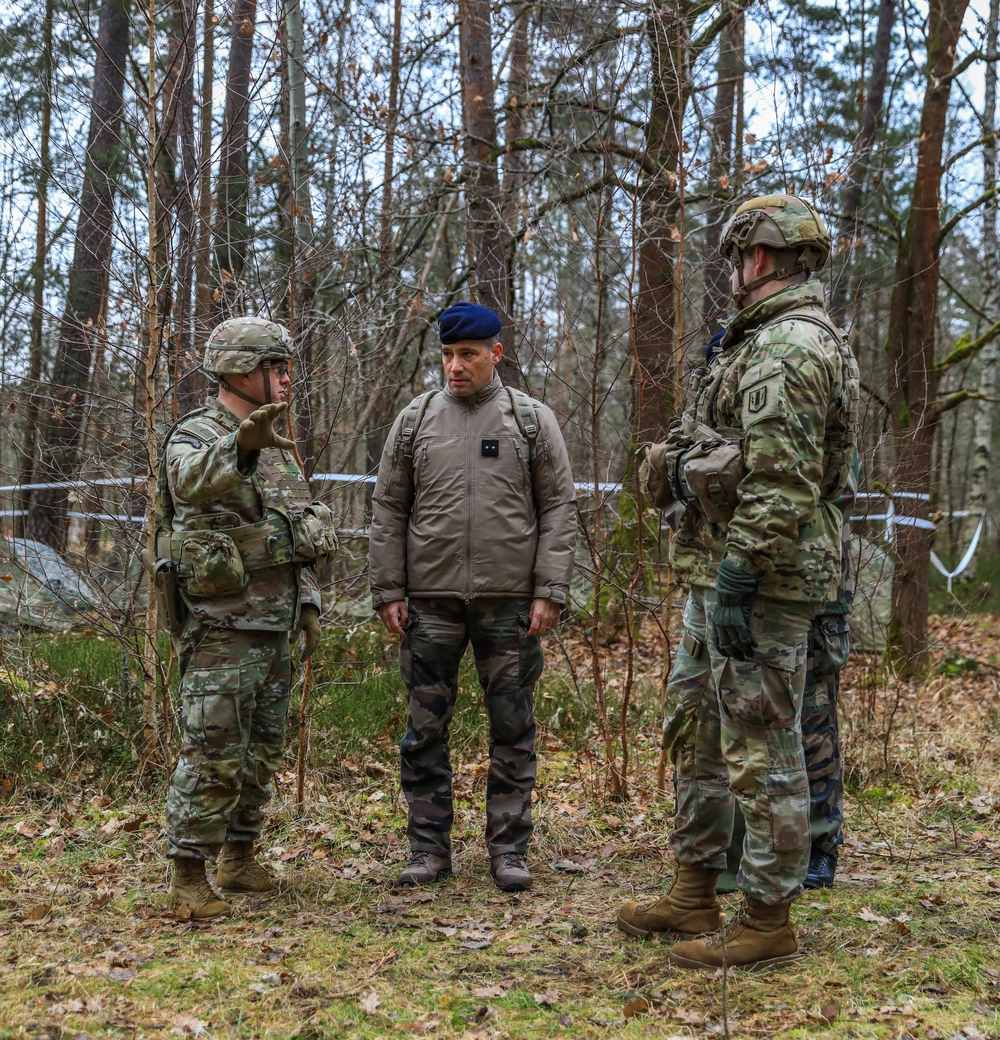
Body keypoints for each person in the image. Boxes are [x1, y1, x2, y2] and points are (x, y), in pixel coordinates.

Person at [617, 194, 859, 969]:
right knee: (698, 731)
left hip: (760, 580)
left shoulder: (789, 346)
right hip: (719, 574)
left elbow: (783, 485)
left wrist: (739, 577)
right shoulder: (749, 342)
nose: (730, 269)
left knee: (762, 746)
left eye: (735, 255)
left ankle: (766, 919)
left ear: (758, 257)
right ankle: (694, 891)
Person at [368, 302, 577, 892]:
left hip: (509, 603)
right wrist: (388, 590)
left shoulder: (530, 420)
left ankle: (509, 850)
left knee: (513, 729)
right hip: (428, 603)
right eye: (447, 355)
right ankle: (428, 849)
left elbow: (559, 508)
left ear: (495, 355)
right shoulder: (414, 420)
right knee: (424, 730)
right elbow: (388, 508)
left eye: (468, 355)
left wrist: (549, 590)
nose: (455, 367)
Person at [156, 316, 337, 920]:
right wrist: (241, 446)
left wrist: (307, 600)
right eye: (277, 367)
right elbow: (188, 482)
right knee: (213, 750)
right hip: (221, 628)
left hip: (274, 623)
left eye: (286, 367)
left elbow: (297, 529)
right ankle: (188, 877)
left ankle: (238, 857)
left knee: (261, 751)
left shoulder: (276, 446)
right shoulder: (196, 435)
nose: (287, 378)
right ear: (241, 370)